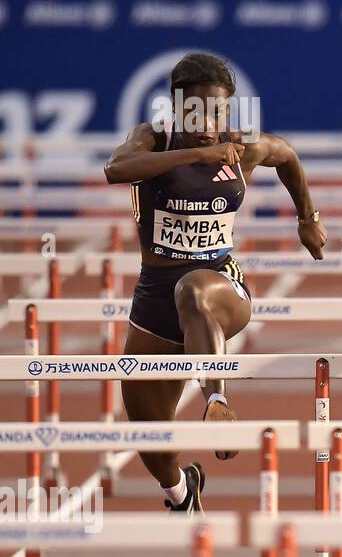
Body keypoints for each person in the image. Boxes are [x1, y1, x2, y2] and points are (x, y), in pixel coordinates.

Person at [103, 52, 327, 513]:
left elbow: (285, 154)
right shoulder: (153, 139)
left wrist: (308, 217)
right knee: (147, 431)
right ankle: (182, 492)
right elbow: (116, 170)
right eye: (198, 109)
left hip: (221, 286)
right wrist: (200, 153)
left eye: (219, 110)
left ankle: (217, 401)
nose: (210, 120)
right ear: (176, 106)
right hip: (155, 296)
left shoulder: (242, 148)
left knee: (195, 290)